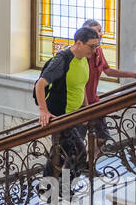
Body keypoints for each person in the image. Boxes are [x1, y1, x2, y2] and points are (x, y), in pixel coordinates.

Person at [35, 26, 102, 187]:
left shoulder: (84, 58)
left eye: (96, 46)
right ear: (79, 43)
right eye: (91, 46)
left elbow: (81, 86)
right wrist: (44, 111)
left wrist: (85, 110)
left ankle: (46, 186)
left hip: (74, 114)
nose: (94, 50)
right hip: (59, 116)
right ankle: (65, 189)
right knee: (78, 153)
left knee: (60, 153)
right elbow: (40, 85)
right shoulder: (62, 60)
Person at [81, 18, 136, 141]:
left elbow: (108, 70)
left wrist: (133, 75)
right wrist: (85, 107)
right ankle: (83, 160)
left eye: (100, 31)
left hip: (94, 102)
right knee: (76, 144)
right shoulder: (83, 55)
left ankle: (89, 160)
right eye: (96, 32)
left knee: (103, 138)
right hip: (81, 106)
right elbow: (81, 84)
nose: (100, 34)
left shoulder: (98, 50)